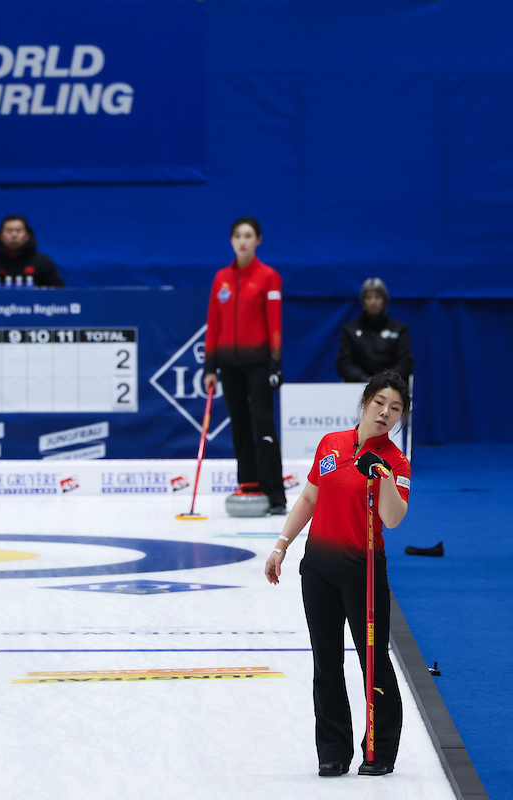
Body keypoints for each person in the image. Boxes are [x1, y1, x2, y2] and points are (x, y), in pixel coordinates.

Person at [265, 372, 411, 778]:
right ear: (364, 402)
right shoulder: (331, 443)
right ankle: (332, 751)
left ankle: (380, 750)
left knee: (373, 662)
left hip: (363, 572)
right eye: (379, 402)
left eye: (395, 408)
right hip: (318, 569)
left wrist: (381, 475)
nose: (385, 413)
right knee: (325, 661)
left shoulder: (397, 462)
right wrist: (281, 545)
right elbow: (310, 496)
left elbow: (393, 518)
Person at [203, 216, 286, 514]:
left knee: (263, 425)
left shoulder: (268, 277)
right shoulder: (221, 278)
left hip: (259, 363)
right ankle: (249, 483)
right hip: (229, 364)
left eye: (248, 235)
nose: (243, 241)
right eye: (237, 235)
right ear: (231, 240)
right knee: (239, 425)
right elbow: (213, 323)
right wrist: (209, 367)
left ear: (258, 240)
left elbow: (274, 323)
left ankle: (275, 494)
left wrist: (275, 363)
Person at [336, 278, 414, 383]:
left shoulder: (399, 329)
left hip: (390, 385)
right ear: (363, 302)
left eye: (377, 297)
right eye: (369, 298)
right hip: (358, 385)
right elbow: (344, 363)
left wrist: (385, 380)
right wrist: (364, 380)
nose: (373, 302)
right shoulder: (349, 330)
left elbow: (405, 362)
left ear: (384, 301)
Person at [0, 215, 64, 286]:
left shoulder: (43, 262)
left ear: (27, 236)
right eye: (9, 231)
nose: (14, 235)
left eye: (19, 230)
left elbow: (58, 293)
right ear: (0, 236)